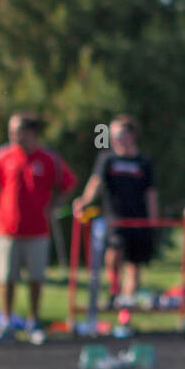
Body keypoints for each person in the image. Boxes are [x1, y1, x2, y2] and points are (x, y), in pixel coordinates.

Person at [0, 114, 76, 345]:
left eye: (18, 131)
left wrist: (55, 205)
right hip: (6, 229)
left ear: (32, 133)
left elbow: (69, 183)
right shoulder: (1, 155)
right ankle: (6, 322)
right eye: (11, 131)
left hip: (37, 230)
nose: (13, 136)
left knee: (35, 278)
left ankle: (33, 321)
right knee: (6, 278)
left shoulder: (49, 158)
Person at [72, 116, 158, 308]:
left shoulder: (144, 162)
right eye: (113, 136)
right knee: (113, 254)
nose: (115, 139)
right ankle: (113, 290)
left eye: (120, 135)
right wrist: (85, 201)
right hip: (115, 219)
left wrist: (153, 221)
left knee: (133, 264)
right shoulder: (107, 159)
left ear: (132, 135)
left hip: (138, 219)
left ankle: (126, 305)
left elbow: (151, 192)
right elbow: (96, 182)